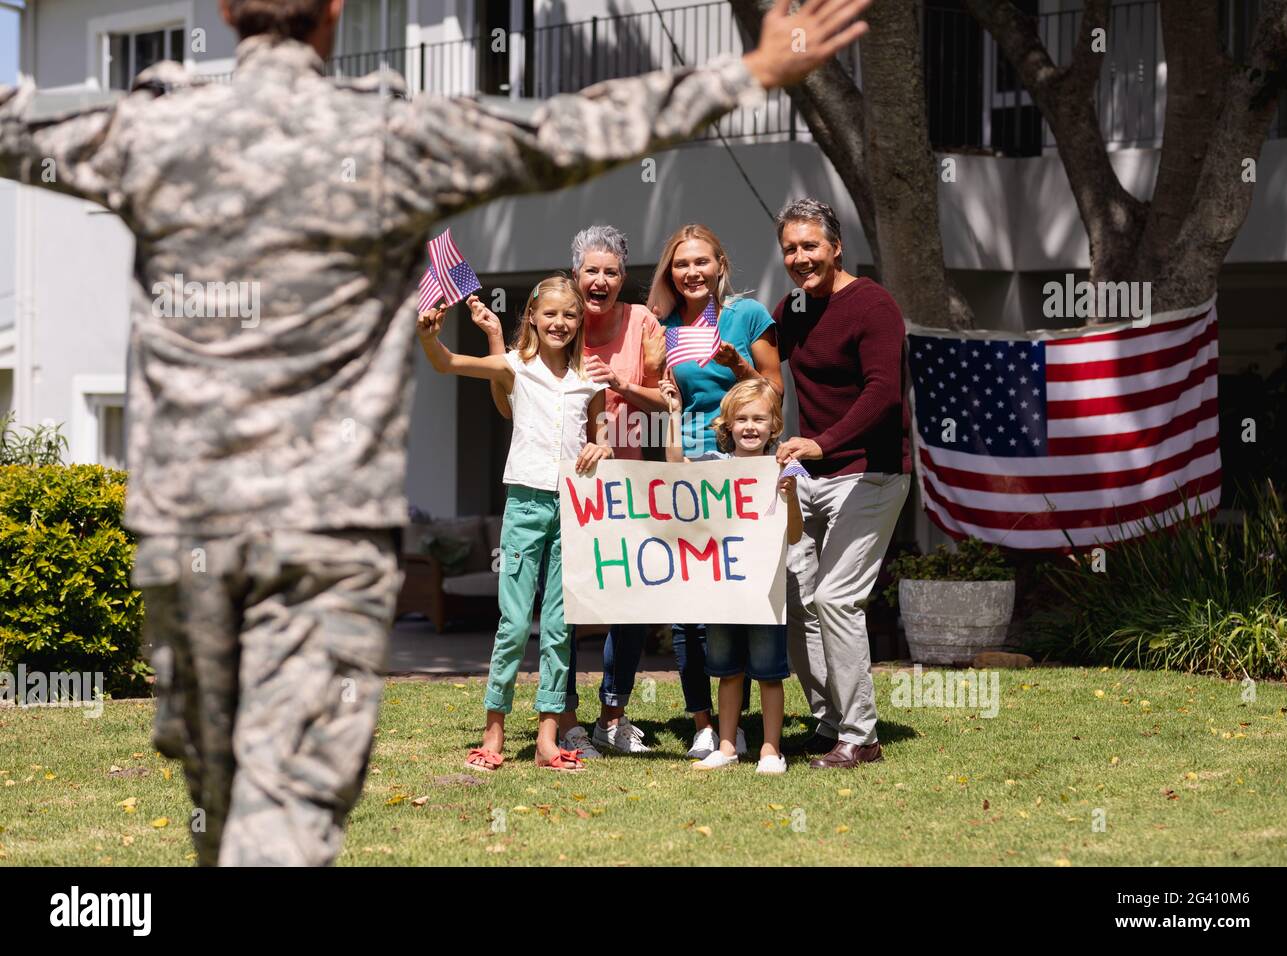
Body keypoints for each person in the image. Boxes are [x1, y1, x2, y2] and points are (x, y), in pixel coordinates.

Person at [0, 0, 871, 862]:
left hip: (188, 531)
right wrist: (748, 72)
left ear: (227, 11)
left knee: (219, 790)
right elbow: (565, 132)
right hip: (326, 537)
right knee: (292, 809)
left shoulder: (154, 128)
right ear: (335, 12)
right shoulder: (388, 133)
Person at [470, 225, 666, 757]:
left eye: (611, 271)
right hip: (558, 490)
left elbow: (664, 397)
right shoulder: (551, 334)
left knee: (619, 607)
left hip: (623, 487)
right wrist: (491, 338)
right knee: (561, 613)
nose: (600, 280)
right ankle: (568, 722)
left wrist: (626, 386)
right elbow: (511, 397)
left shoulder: (643, 322)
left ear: (623, 278)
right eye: (591, 271)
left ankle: (611, 716)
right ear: (575, 278)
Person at [417, 276, 610, 772]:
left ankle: (548, 735)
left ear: (579, 321)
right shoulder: (514, 367)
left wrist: (603, 445)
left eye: (570, 315)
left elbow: (602, 431)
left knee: (560, 623)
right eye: (550, 314)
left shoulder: (589, 379)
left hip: (573, 505)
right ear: (532, 317)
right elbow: (447, 362)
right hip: (525, 504)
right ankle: (494, 728)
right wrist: (427, 336)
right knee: (514, 621)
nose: (560, 323)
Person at [771, 198, 912, 769]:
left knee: (835, 596)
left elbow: (883, 393)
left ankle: (862, 736)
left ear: (835, 247)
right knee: (797, 599)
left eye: (810, 246)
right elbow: (765, 367)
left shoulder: (874, 305)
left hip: (870, 473)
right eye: (790, 249)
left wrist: (822, 442)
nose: (800, 257)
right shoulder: (794, 307)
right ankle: (831, 719)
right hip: (811, 478)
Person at [647, 223, 784, 758]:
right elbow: (664, 397)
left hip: (740, 465)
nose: (692, 272)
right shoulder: (663, 327)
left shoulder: (747, 316)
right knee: (690, 603)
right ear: (671, 273)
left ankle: (743, 724)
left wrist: (738, 366)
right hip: (685, 465)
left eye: (701, 261)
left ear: (720, 266)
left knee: (739, 587)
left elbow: (773, 391)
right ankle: (706, 723)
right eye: (681, 264)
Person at [664, 377, 802, 775]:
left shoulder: (784, 470)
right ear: (727, 425)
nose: (750, 426)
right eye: (741, 418)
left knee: (769, 673)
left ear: (775, 425)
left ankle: (771, 751)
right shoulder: (714, 466)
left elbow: (795, 533)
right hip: (722, 590)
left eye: (759, 418)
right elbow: (676, 466)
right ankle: (726, 746)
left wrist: (790, 497)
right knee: (727, 671)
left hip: (765, 592)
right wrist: (674, 414)